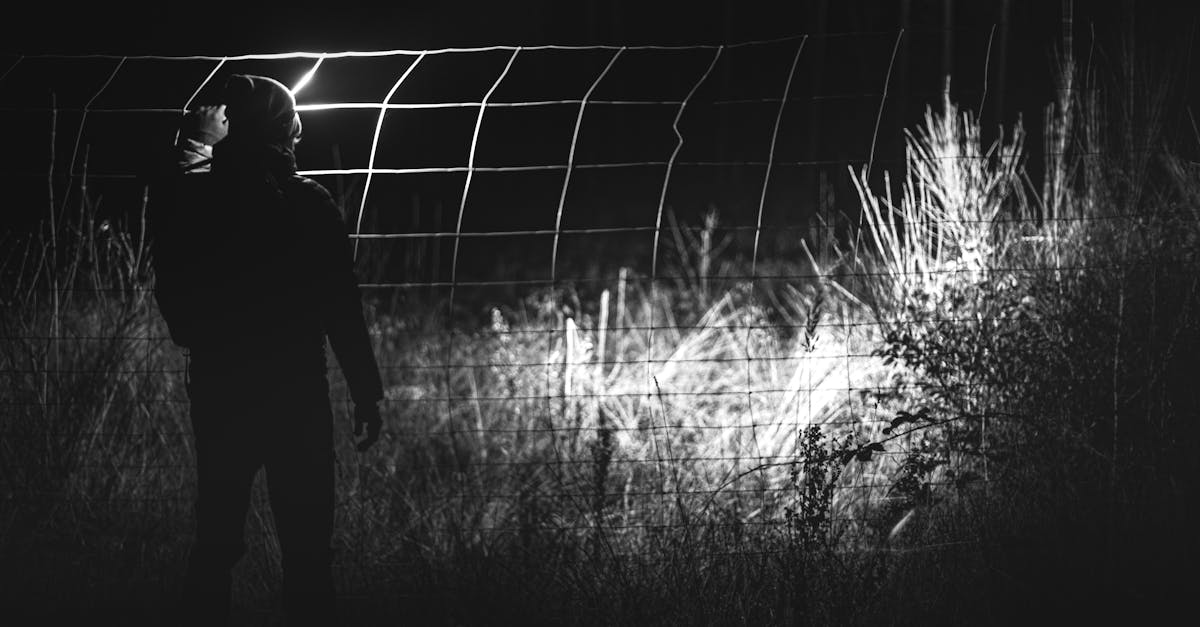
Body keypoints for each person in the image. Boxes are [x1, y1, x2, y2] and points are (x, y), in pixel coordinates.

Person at [147, 74, 384, 627]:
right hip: (297, 393)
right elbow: (341, 306)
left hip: (222, 388)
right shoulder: (309, 203)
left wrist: (193, 149)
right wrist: (366, 393)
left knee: (215, 543)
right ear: (288, 132)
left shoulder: (199, 201)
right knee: (308, 553)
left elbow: (171, 242)